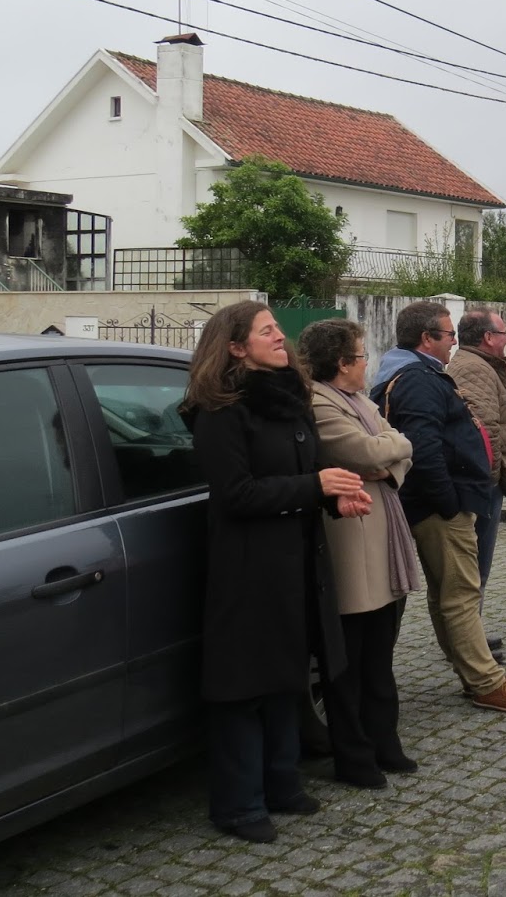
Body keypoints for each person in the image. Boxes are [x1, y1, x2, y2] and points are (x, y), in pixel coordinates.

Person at [182, 302, 370, 844]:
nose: (280, 337)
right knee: (244, 685)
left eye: (278, 330)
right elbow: (236, 494)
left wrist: (336, 502)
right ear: (236, 347)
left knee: (288, 675)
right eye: (267, 331)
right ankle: (238, 804)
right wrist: (317, 489)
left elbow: (302, 475)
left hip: (297, 561)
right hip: (247, 567)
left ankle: (282, 783)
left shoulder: (290, 400)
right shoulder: (221, 410)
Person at [371, 301, 506, 714]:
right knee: (462, 593)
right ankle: (485, 682)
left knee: (449, 593)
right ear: (426, 338)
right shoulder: (416, 379)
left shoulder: (420, 373)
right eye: (448, 336)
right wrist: (450, 503)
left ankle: (476, 672)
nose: (453, 344)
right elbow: (423, 448)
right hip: (439, 507)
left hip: (439, 501)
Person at [299, 319, 421, 787]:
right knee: (349, 660)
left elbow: (397, 451)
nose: (368, 361)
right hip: (352, 542)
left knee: (380, 657)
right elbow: (368, 453)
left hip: (381, 530)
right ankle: (354, 755)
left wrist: (388, 455)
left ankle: (384, 743)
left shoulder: (359, 400)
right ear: (342, 363)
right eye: (362, 354)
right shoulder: (318, 403)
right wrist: (390, 452)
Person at [448, 309, 506, 653]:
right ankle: (467, 642)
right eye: (504, 333)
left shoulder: (488, 365)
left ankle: (471, 635)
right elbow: (484, 431)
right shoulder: (472, 368)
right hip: (485, 483)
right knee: (473, 567)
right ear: (487, 338)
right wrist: (492, 479)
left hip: (489, 481)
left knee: (478, 565)